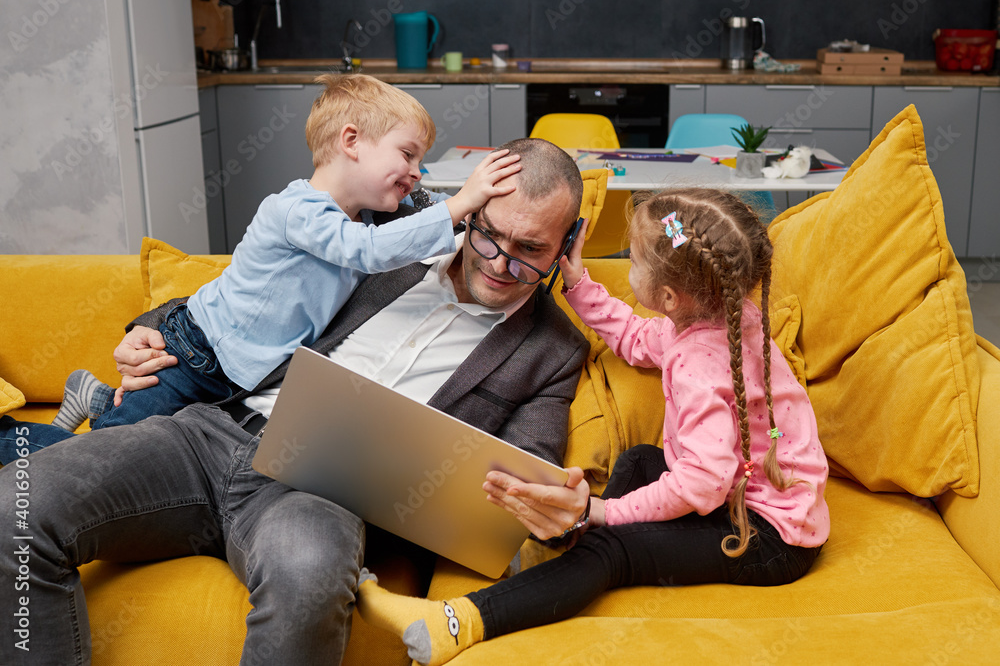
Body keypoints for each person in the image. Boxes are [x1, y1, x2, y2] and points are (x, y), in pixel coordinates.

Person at [0, 137, 594, 665]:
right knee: (13, 508)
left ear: (567, 246)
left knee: (308, 582)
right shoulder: (387, 236)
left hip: (322, 495)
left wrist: (553, 515)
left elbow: (523, 479)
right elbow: (249, 286)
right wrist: (150, 328)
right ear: (473, 205)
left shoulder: (554, 348)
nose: (498, 264)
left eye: (529, 252)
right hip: (212, 434)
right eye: (488, 236)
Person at [355, 188, 832, 666]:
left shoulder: (698, 368)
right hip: (747, 494)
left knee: (611, 552)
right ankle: (571, 547)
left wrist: (604, 513)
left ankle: (453, 624)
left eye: (634, 261)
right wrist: (578, 282)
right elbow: (634, 337)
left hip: (770, 538)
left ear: (667, 296)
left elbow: (704, 484)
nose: (628, 267)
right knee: (641, 461)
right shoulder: (723, 317)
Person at [36, 73, 521, 444]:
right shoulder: (296, 211)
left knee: (149, 442)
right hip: (196, 356)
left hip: (241, 377)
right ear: (351, 142)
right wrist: (462, 201)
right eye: (408, 155)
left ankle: (92, 397)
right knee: (101, 456)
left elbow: (425, 217)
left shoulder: (367, 217)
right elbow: (369, 254)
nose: (417, 173)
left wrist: (471, 204)